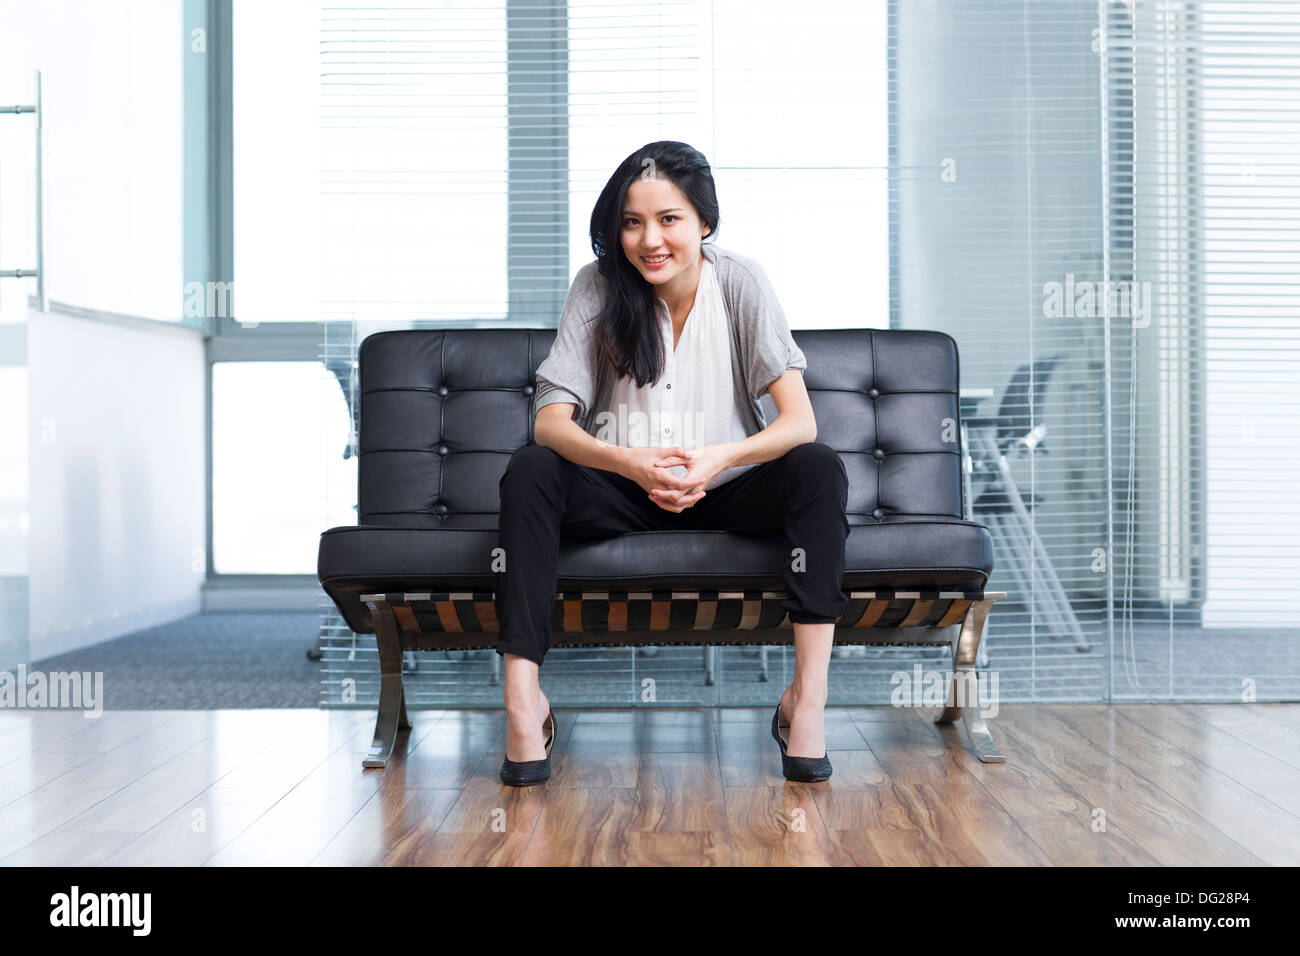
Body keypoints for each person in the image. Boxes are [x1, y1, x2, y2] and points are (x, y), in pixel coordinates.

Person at [494, 141, 850, 786]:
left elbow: (801, 422)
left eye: (669, 219)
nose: (649, 239)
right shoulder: (597, 286)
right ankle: (523, 705)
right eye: (632, 222)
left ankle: (808, 702)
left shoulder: (739, 281)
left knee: (818, 467)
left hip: (726, 490)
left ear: (704, 223)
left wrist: (721, 458)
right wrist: (625, 463)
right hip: (620, 490)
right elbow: (550, 423)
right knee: (530, 470)